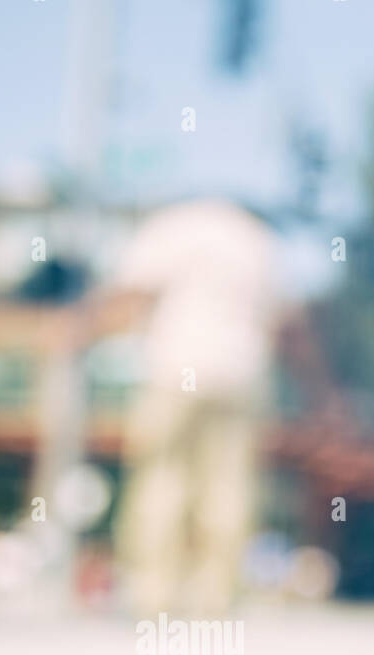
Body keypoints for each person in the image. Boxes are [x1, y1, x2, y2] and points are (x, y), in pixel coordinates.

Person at [106, 198, 280, 616]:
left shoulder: (171, 225)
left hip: (175, 368)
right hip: (240, 373)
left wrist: (76, 329)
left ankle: (152, 595)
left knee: (161, 477)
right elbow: (284, 319)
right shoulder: (257, 239)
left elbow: (134, 295)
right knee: (228, 487)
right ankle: (214, 597)